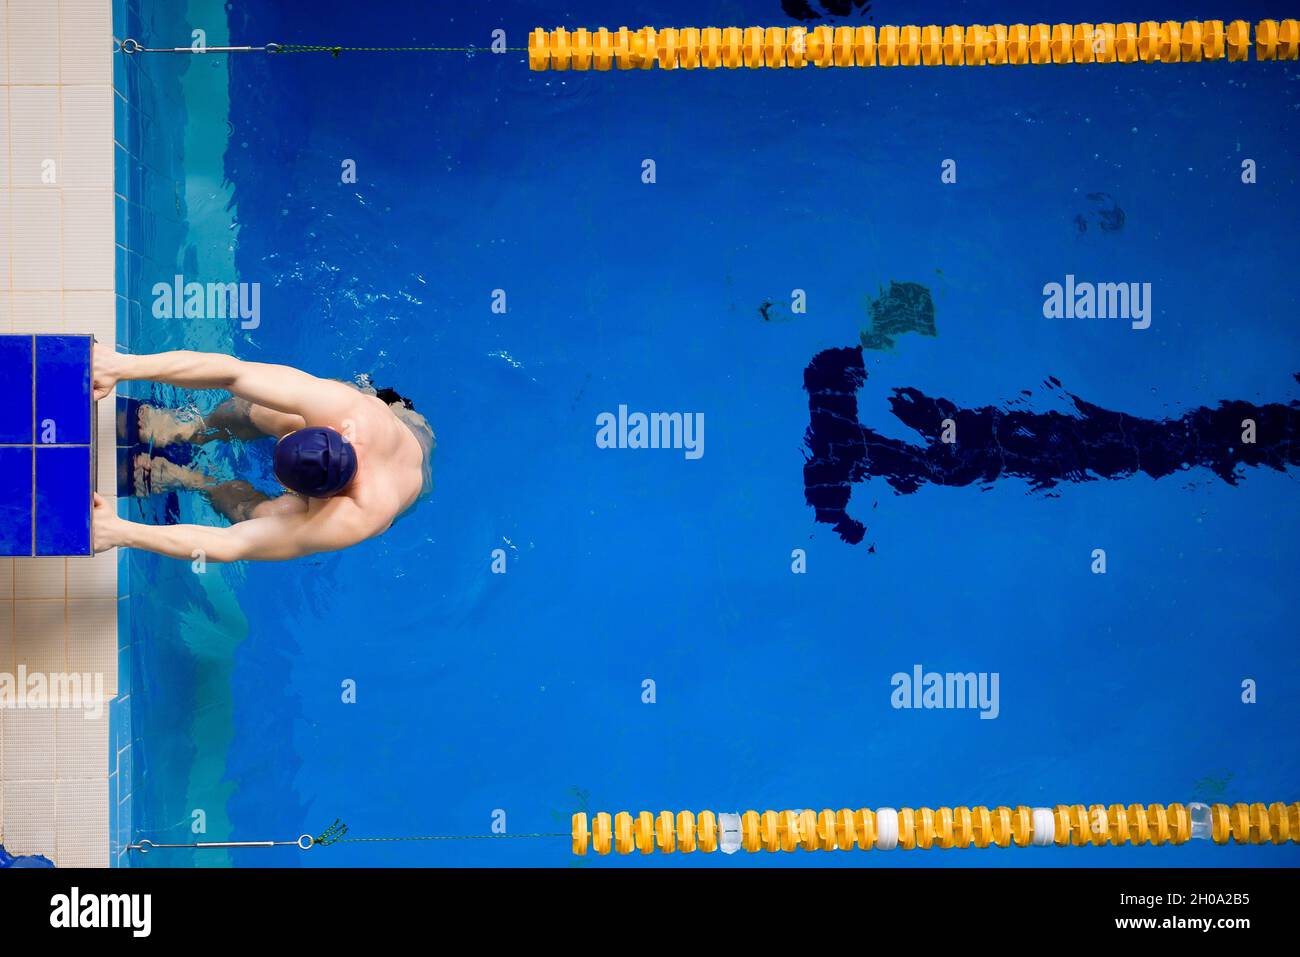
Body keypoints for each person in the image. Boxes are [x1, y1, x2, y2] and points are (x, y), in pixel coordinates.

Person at [90, 344, 434, 562]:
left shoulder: (353, 517)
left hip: (406, 463)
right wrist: (122, 366)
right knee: (268, 410)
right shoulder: (347, 409)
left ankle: (199, 482)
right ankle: (194, 429)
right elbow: (232, 373)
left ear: (324, 497)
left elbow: (232, 545)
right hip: (396, 419)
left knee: (268, 515)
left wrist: (120, 532)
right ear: (330, 430)